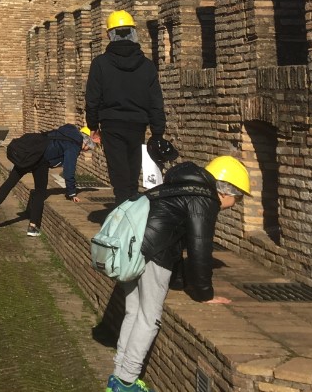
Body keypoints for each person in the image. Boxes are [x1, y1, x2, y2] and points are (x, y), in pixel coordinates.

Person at [105, 155, 250, 392]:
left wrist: (180, 279)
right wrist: (204, 293)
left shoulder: (178, 185)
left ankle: (119, 375)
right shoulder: (204, 198)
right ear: (226, 191)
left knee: (133, 311)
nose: (237, 204)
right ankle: (127, 382)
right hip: (154, 254)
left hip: (131, 250)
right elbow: (199, 248)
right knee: (149, 318)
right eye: (238, 198)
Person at [85, 10, 166, 204]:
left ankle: (123, 213)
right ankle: (130, 206)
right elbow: (156, 101)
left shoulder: (100, 64)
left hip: (111, 124)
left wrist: (92, 125)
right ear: (133, 32)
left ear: (109, 35)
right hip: (138, 125)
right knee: (132, 172)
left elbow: (92, 98)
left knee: (118, 173)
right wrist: (157, 132)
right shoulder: (147, 65)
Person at [0, 124, 95, 237]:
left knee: (10, 182)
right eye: (88, 148)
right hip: (41, 160)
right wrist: (72, 192)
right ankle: (32, 227)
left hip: (30, 153)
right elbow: (69, 170)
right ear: (86, 142)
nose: (86, 151)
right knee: (40, 191)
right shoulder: (74, 145)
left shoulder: (68, 130)